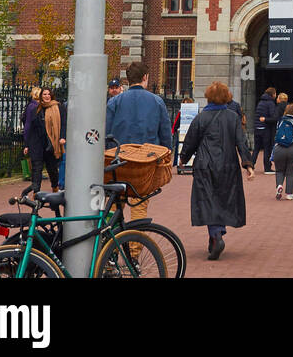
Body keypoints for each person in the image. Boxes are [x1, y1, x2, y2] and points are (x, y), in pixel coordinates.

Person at [178, 81, 254, 260]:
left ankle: (216, 234)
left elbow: (190, 141)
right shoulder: (233, 117)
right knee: (223, 199)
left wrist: (183, 159)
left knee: (207, 200)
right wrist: (247, 164)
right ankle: (216, 234)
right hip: (228, 165)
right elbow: (241, 142)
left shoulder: (201, 117)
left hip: (205, 165)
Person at [105, 61, 172, 221]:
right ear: (145, 77)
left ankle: (110, 240)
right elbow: (165, 135)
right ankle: (135, 244)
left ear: (127, 80)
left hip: (118, 161)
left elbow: (106, 133)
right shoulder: (157, 101)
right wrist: (166, 157)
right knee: (139, 207)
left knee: (114, 206)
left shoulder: (114, 102)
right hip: (144, 162)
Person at [25, 86, 64, 193]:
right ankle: (36, 192)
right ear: (41, 96)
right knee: (36, 168)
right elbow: (30, 126)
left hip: (50, 143)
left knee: (52, 169)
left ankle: (55, 187)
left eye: (48, 94)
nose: (47, 96)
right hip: (37, 143)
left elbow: (63, 123)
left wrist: (62, 137)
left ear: (51, 95)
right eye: (44, 94)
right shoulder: (36, 109)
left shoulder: (58, 108)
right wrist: (27, 144)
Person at [272, 100, 293, 200]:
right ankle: (289, 193)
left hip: (279, 148)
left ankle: (279, 186)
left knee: (279, 170)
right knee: (291, 171)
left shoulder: (280, 122)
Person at [253, 87, 280, 175]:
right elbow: (273, 117)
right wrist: (266, 120)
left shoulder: (260, 102)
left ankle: (251, 165)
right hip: (265, 128)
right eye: (275, 94)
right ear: (272, 94)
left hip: (257, 128)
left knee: (256, 148)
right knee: (267, 148)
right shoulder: (270, 103)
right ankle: (267, 168)